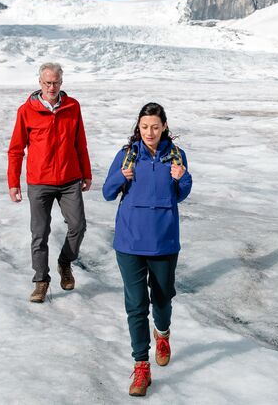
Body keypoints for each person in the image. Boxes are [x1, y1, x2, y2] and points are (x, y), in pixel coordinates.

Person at [102, 102, 192, 397]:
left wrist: (183, 178)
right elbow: (107, 193)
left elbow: (179, 195)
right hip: (129, 242)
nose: (149, 132)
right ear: (138, 128)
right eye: (144, 127)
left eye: (155, 126)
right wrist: (120, 177)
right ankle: (141, 365)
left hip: (164, 240)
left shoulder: (176, 156)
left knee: (163, 297)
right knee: (136, 304)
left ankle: (163, 333)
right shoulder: (127, 156)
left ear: (164, 126)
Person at [8, 62, 92, 303]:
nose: (51, 86)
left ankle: (64, 262)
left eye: (55, 82)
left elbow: (80, 144)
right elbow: (16, 150)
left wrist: (86, 174)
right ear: (40, 83)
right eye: (47, 83)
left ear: (61, 83)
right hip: (39, 181)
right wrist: (13, 182)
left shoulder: (72, 107)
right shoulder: (26, 110)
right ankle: (41, 281)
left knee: (78, 226)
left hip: (70, 179)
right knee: (39, 233)